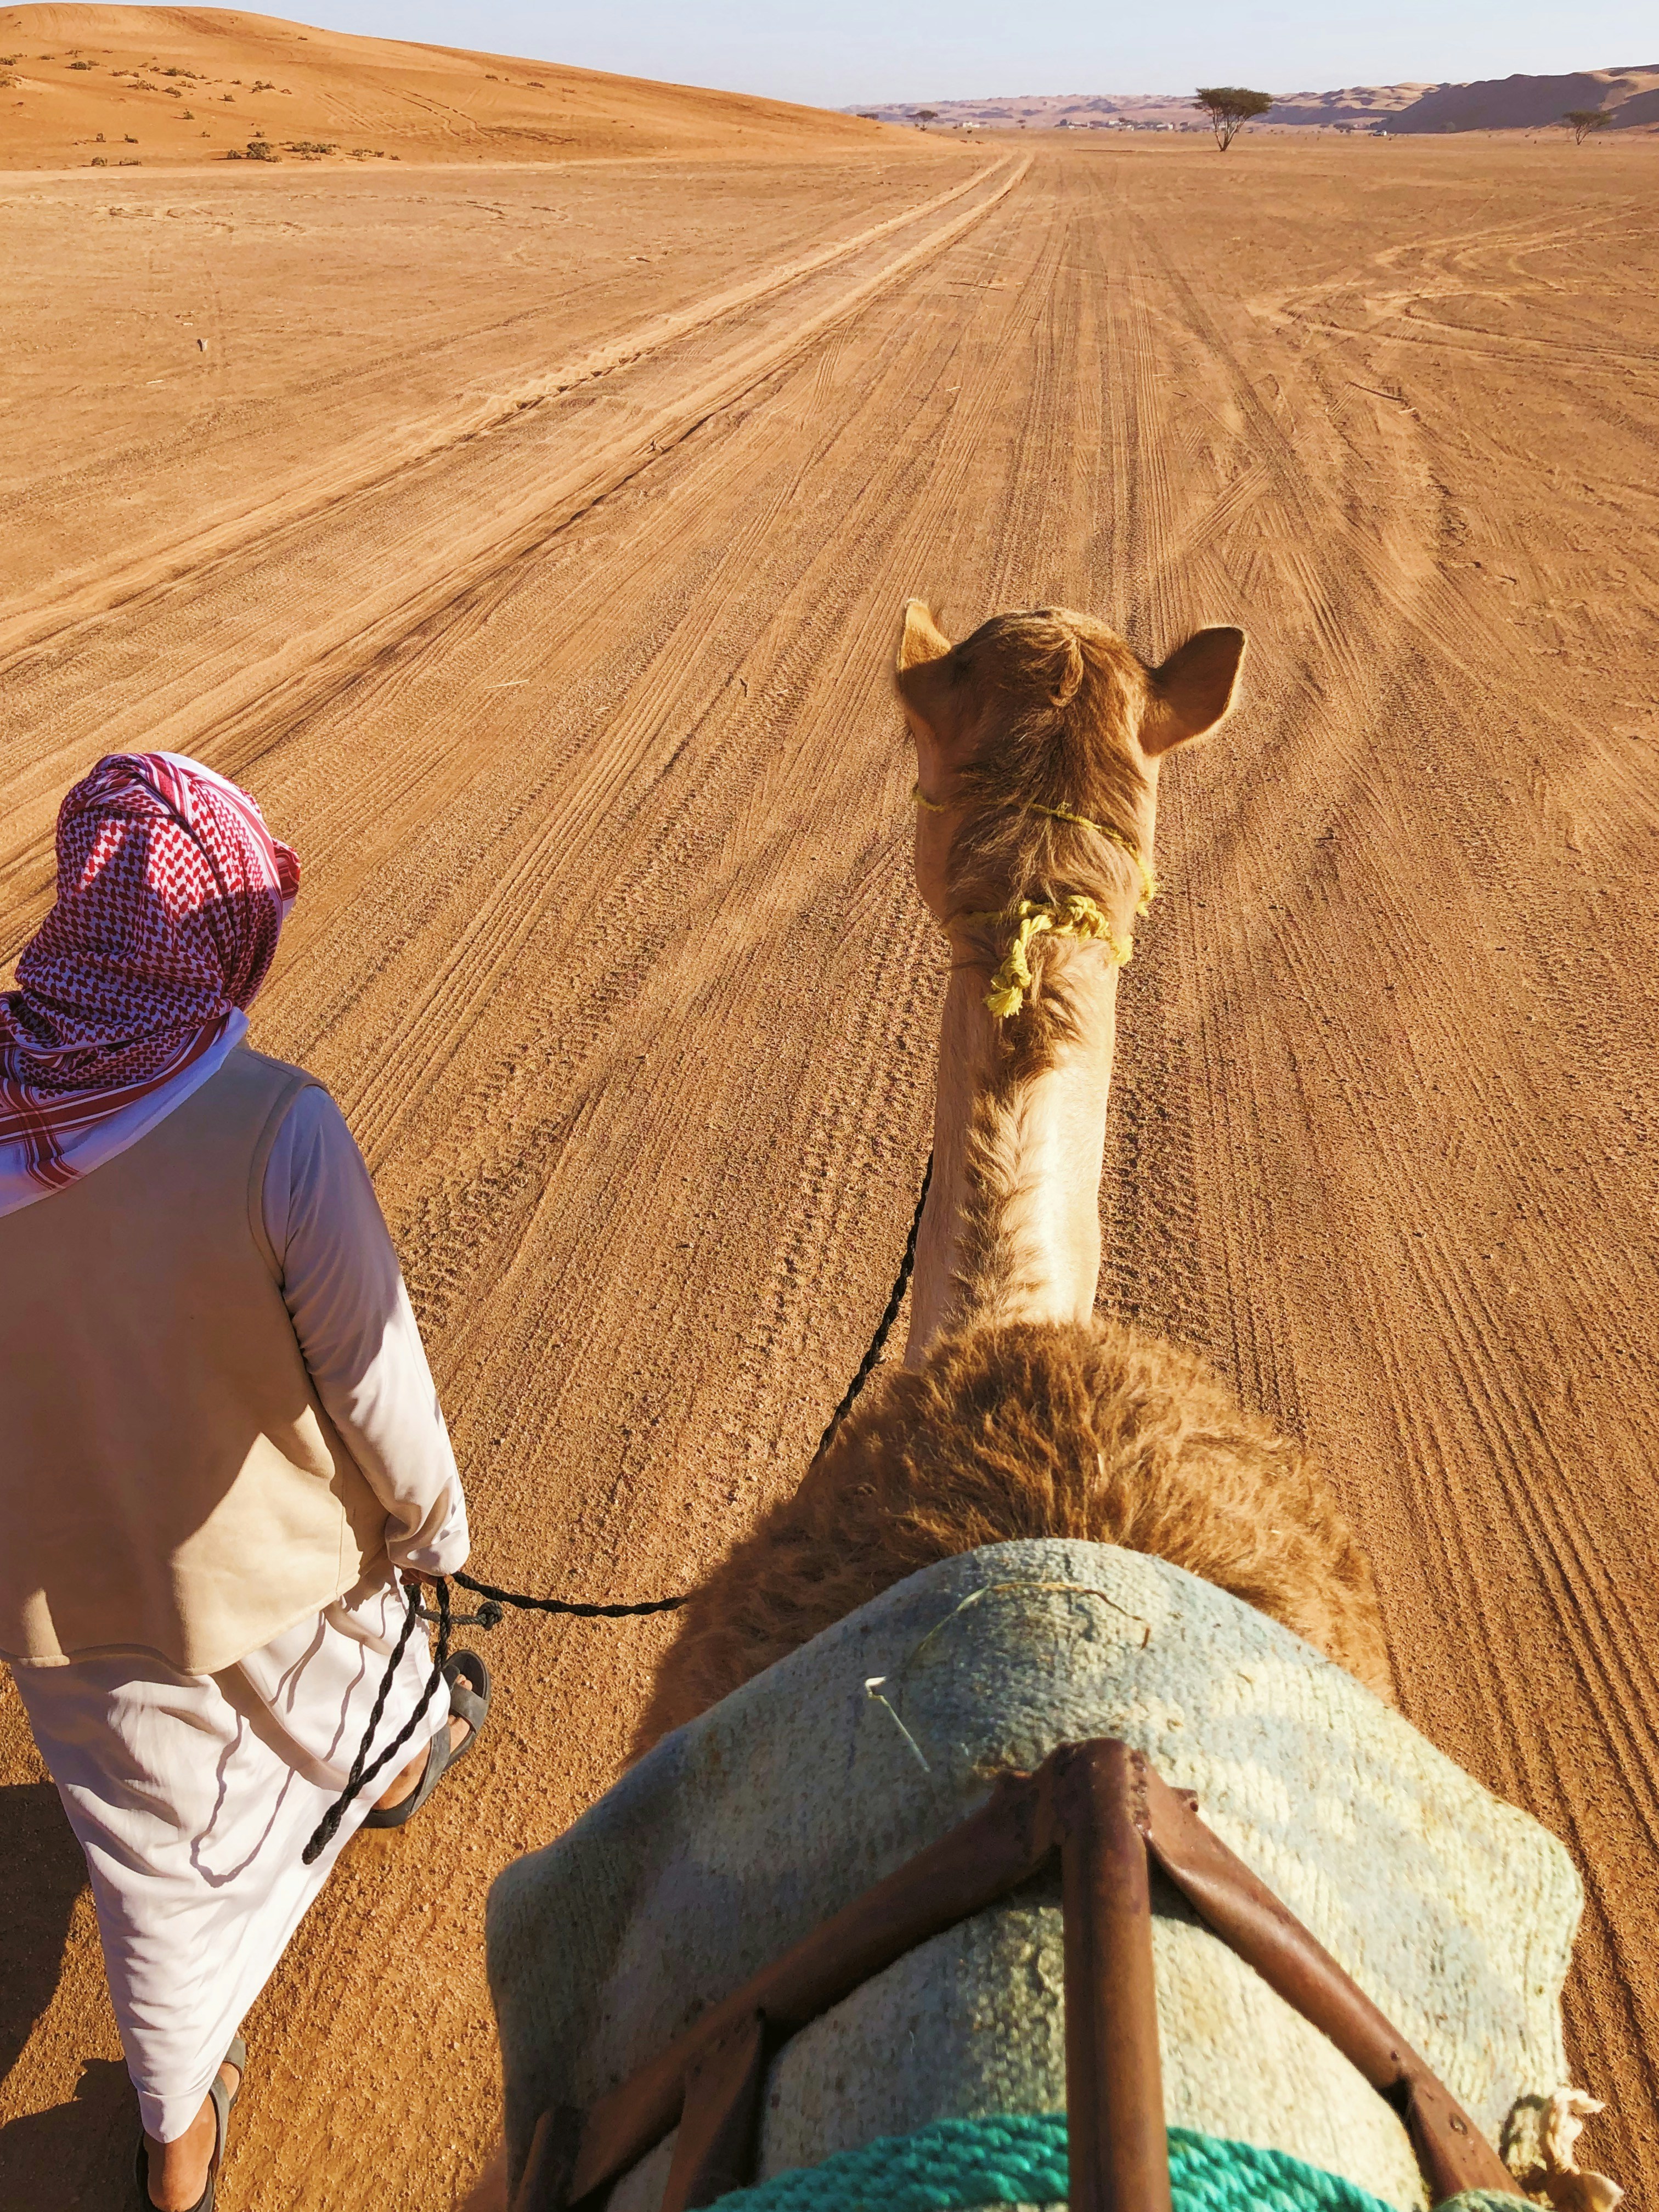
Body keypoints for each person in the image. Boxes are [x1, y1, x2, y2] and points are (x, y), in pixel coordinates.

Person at [0, 752, 488, 2212]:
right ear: (220, 926)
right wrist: (437, 1526)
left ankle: (177, 2144)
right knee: (363, 1646)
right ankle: (394, 1759)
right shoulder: (278, 1128)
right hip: (273, 1560)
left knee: (149, 1860)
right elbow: (373, 1377)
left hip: (59, 1593)